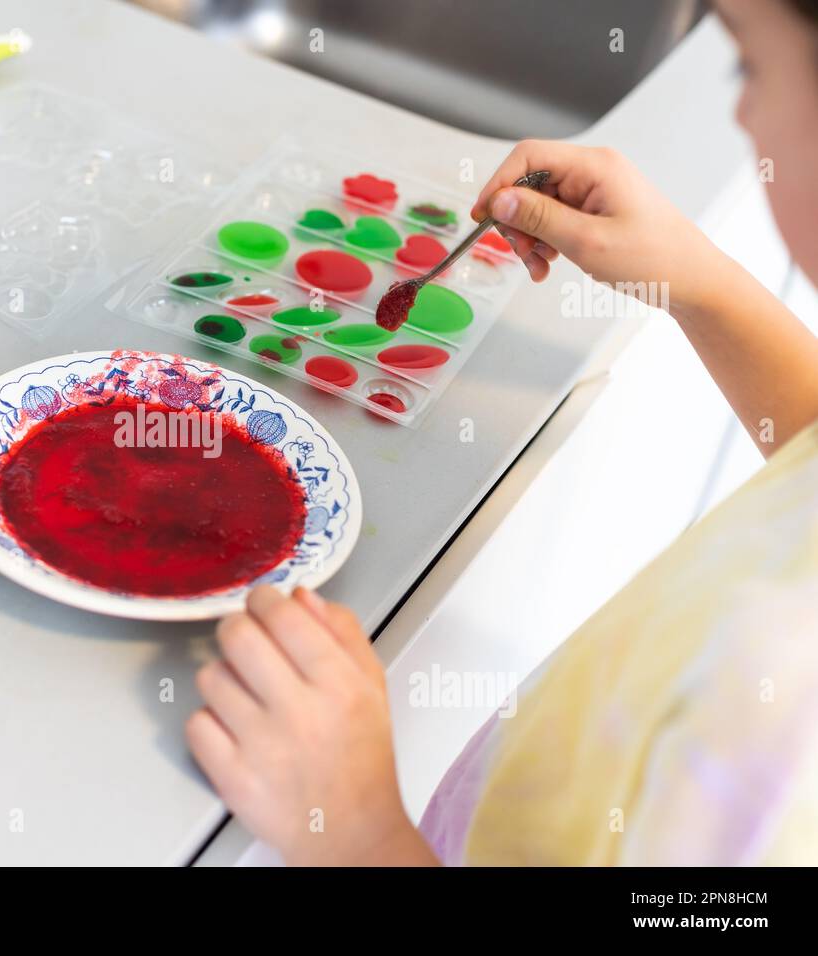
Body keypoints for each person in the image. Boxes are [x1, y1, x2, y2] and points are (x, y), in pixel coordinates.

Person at [185, 0, 818, 865]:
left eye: (747, 64)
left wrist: (360, 830)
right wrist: (697, 280)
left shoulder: (777, 724)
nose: (741, 112)